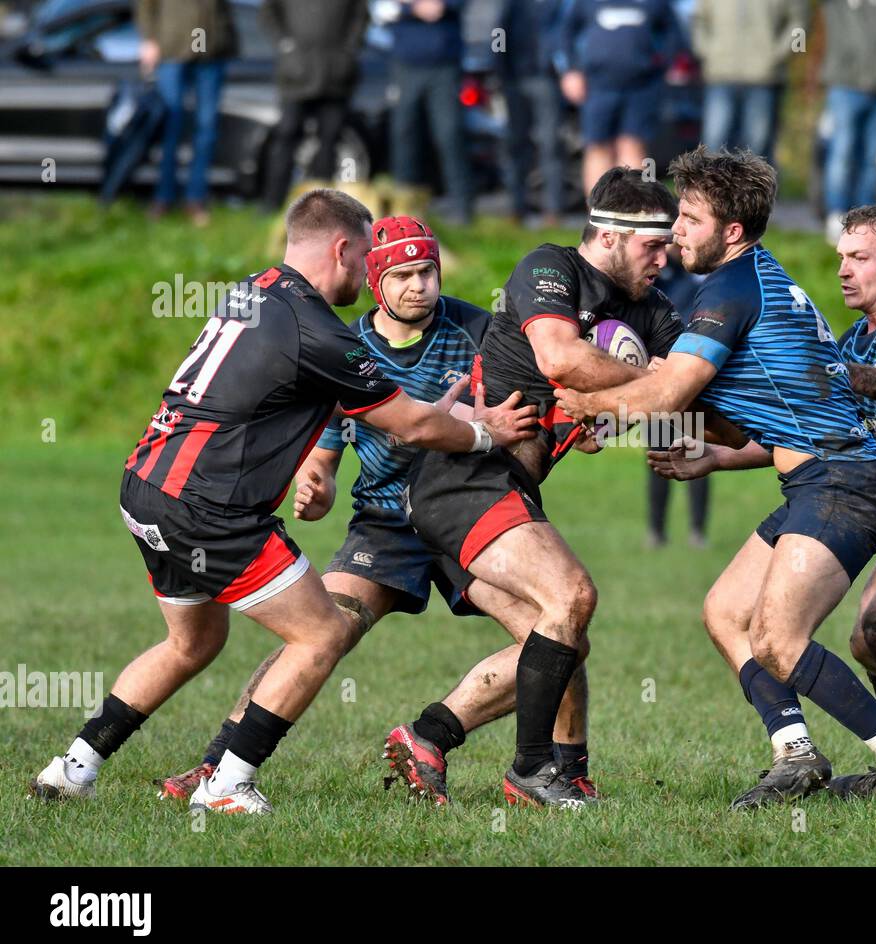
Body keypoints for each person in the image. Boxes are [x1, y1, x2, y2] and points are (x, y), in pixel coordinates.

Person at [28, 190, 536, 814]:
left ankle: (72, 768)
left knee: (192, 642)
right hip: (208, 507)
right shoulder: (322, 333)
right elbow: (415, 425)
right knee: (320, 632)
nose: (371, 274)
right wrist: (488, 432)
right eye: (369, 259)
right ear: (344, 250)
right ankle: (227, 786)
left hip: (145, 486)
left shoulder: (252, 290)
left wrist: (315, 469)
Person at [556, 147, 876, 810]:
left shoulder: (733, 292)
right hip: (818, 482)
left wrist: (585, 403)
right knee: (725, 614)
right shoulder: (757, 282)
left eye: (690, 219)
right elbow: (740, 415)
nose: (675, 231)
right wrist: (702, 447)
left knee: (778, 638)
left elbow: (668, 395)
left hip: (843, 484)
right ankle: (795, 753)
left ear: (731, 232)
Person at [151, 215, 586, 805]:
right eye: (402, 274)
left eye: (427, 271)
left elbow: (540, 389)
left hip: (469, 514)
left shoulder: (479, 329)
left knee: (559, 634)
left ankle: (532, 761)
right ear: (376, 280)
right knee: (319, 631)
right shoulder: (342, 349)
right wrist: (316, 488)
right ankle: (217, 764)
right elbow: (322, 461)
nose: (418, 286)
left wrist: (576, 417)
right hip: (384, 523)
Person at [393, 167, 740, 807]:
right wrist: (653, 385)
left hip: (509, 486)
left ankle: (435, 739)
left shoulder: (656, 309)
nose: (666, 261)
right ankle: (531, 771)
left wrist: (674, 402)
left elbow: (711, 410)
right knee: (573, 594)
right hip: (463, 478)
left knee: (559, 639)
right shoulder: (549, 268)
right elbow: (560, 358)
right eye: (652, 247)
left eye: (670, 246)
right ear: (608, 236)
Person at [555, 0, 689, 194]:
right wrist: (570, 71)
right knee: (597, 147)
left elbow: (674, 35)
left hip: (642, 86)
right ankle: (597, 214)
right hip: (597, 86)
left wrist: (665, 64)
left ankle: (630, 213)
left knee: (632, 146)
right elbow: (565, 33)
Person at [259, 0, 370, 210]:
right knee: (287, 134)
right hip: (296, 74)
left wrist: (348, 49)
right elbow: (268, 13)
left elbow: (361, 16)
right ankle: (272, 203)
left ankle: (321, 209)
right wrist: (285, 45)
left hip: (335, 75)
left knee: (329, 140)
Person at [135, 0, 236, 225]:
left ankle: (195, 199)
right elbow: (146, 5)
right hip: (173, 47)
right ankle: (164, 196)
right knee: (171, 125)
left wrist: (227, 42)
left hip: (211, 51)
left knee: (206, 129)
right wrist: (149, 39)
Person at [819, 0, 876, 244]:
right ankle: (836, 214)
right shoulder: (838, 6)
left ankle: (866, 220)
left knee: (871, 158)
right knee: (842, 153)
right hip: (844, 88)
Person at [383, 0, 475, 224]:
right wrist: (413, 8)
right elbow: (382, 9)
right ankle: (403, 212)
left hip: (445, 65)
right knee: (404, 134)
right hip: (406, 64)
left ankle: (462, 208)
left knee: (449, 134)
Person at [646, 245, 708, 548]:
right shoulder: (656, 273)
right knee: (659, 455)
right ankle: (656, 531)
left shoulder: (700, 270)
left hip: (692, 379)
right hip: (658, 377)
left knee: (695, 453)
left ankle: (697, 530)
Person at [692, 0, 805, 164]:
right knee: (712, 146)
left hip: (764, 78)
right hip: (720, 75)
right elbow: (698, 20)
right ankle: (710, 190)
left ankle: (756, 190)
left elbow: (799, 22)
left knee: (758, 150)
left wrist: (779, 55)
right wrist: (706, 51)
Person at [498, 0, 567, 224]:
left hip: (547, 79)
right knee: (517, 144)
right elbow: (499, 33)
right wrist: (500, 73)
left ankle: (553, 211)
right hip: (515, 79)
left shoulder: (560, 5)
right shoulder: (513, 5)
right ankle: (517, 209)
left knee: (551, 144)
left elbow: (566, 34)